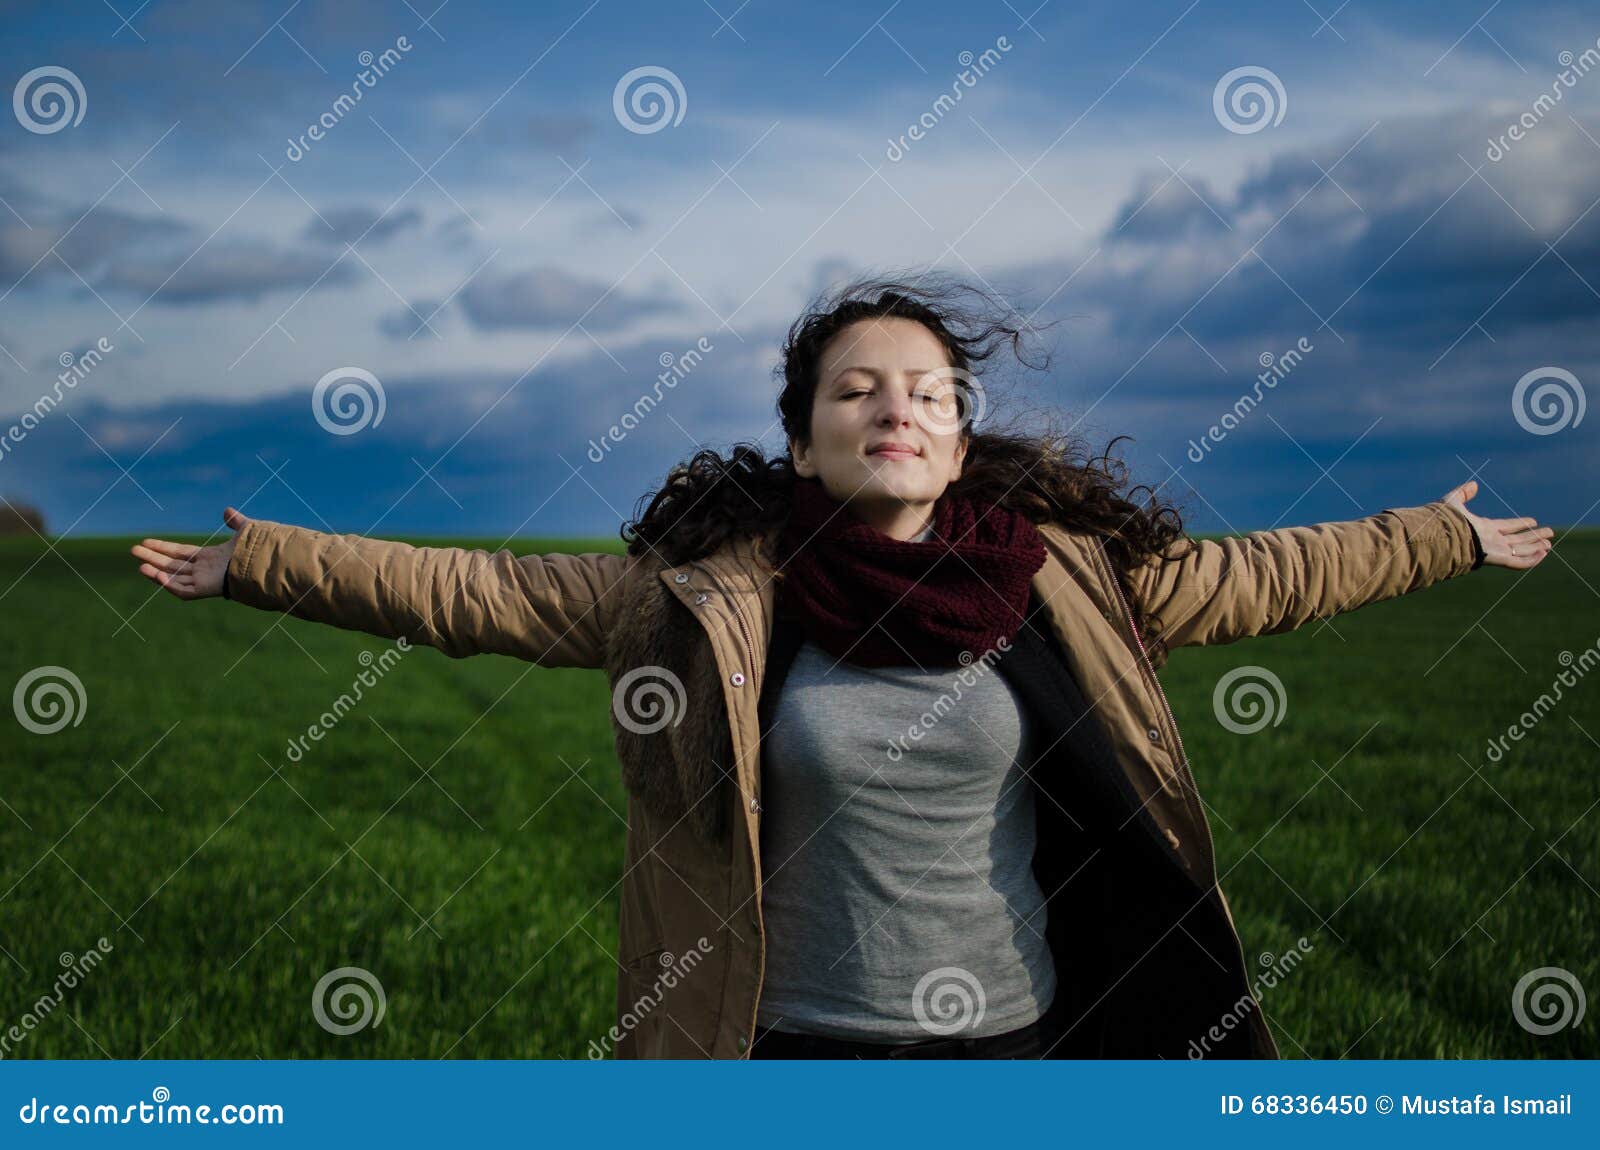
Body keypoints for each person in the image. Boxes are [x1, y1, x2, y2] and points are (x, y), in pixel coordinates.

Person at [130, 275, 1552, 1059]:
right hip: (789, 1051)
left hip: (1019, 1042)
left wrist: (1441, 538)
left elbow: (1266, 575)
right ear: (805, 435)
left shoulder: (1062, 579)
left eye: (930, 391)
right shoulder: (720, 598)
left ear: (957, 436)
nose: (899, 407)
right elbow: (492, 589)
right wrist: (270, 561)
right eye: (859, 387)